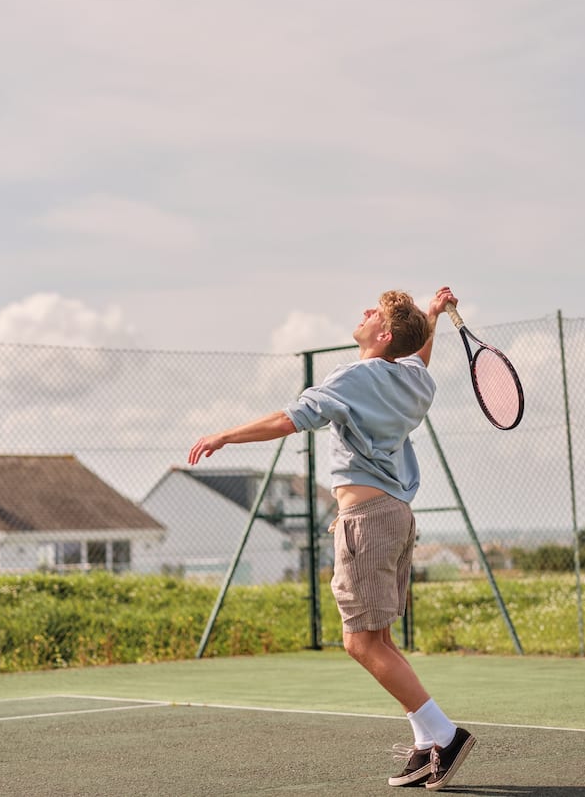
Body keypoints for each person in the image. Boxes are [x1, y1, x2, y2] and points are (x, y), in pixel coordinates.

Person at [188, 285, 475, 791]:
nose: (364, 313)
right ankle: (427, 744)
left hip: (366, 520)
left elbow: (287, 420)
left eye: (374, 313)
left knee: (360, 642)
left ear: (383, 334)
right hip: (397, 516)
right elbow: (419, 356)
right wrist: (429, 316)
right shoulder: (414, 381)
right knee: (379, 638)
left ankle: (445, 735)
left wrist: (225, 435)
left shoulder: (354, 378)